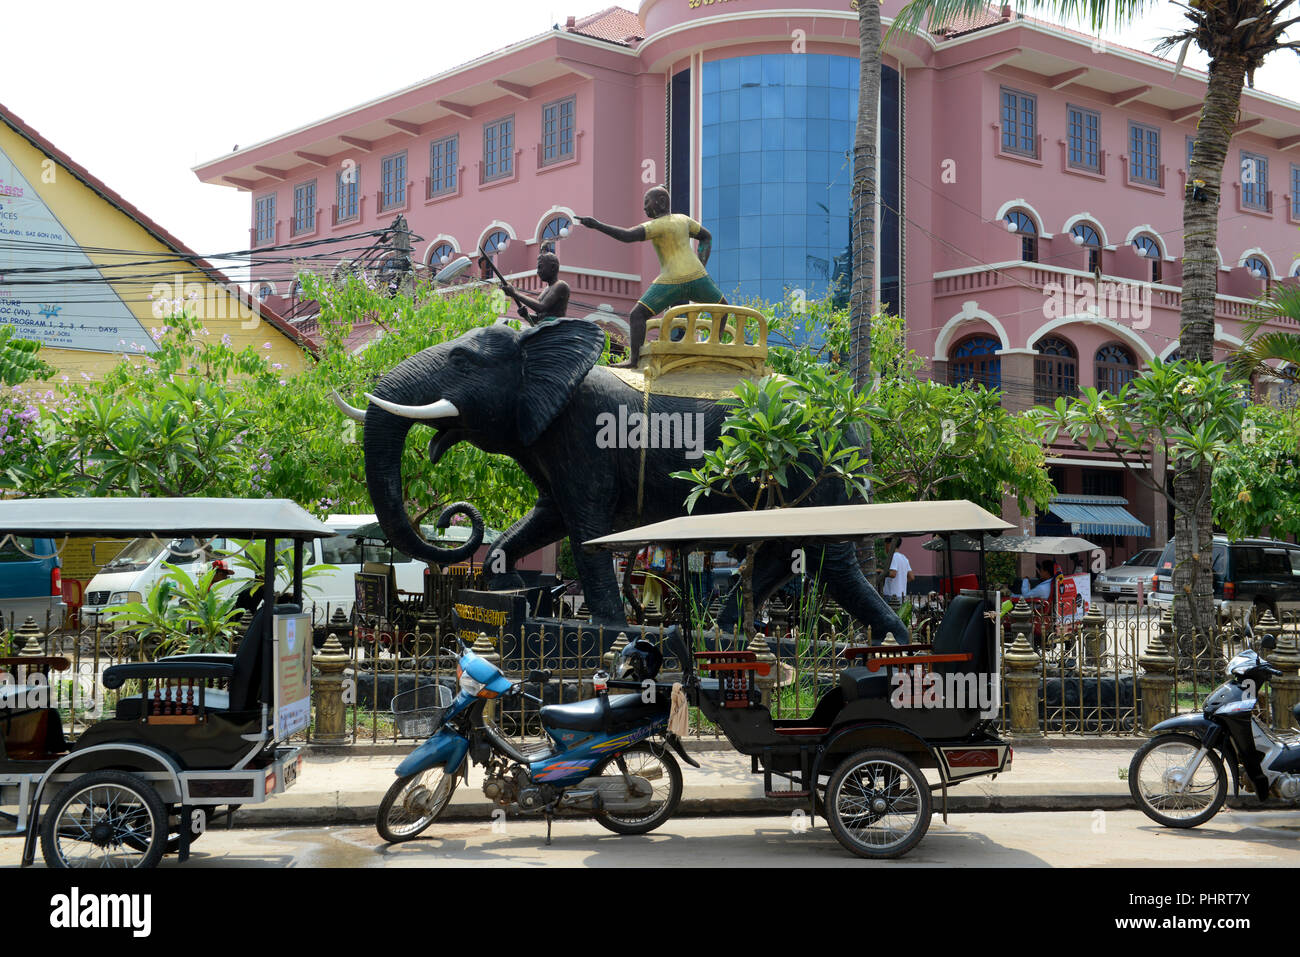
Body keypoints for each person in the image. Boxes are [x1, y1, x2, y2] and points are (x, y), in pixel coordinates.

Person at [577, 185, 725, 366]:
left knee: (637, 315)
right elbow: (706, 237)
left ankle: (633, 360)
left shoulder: (656, 225)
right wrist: (701, 266)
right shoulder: (683, 219)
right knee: (722, 308)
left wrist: (597, 225)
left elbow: (627, 236)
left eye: (647, 202)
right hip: (698, 277)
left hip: (670, 281)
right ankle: (716, 348)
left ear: (662, 202)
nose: (644, 207)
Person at [496, 243, 570, 324]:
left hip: (554, 329)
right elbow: (539, 317)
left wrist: (514, 293)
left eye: (540, 267)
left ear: (553, 267)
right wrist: (526, 315)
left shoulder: (560, 285)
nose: (538, 271)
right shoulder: (546, 289)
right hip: (543, 327)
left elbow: (541, 307)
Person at [882, 535, 913, 604]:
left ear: (890, 544)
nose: (885, 548)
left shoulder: (892, 557)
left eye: (885, 545)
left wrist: (881, 572)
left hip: (891, 595)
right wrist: (900, 581)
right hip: (901, 595)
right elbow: (911, 577)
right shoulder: (904, 558)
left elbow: (893, 574)